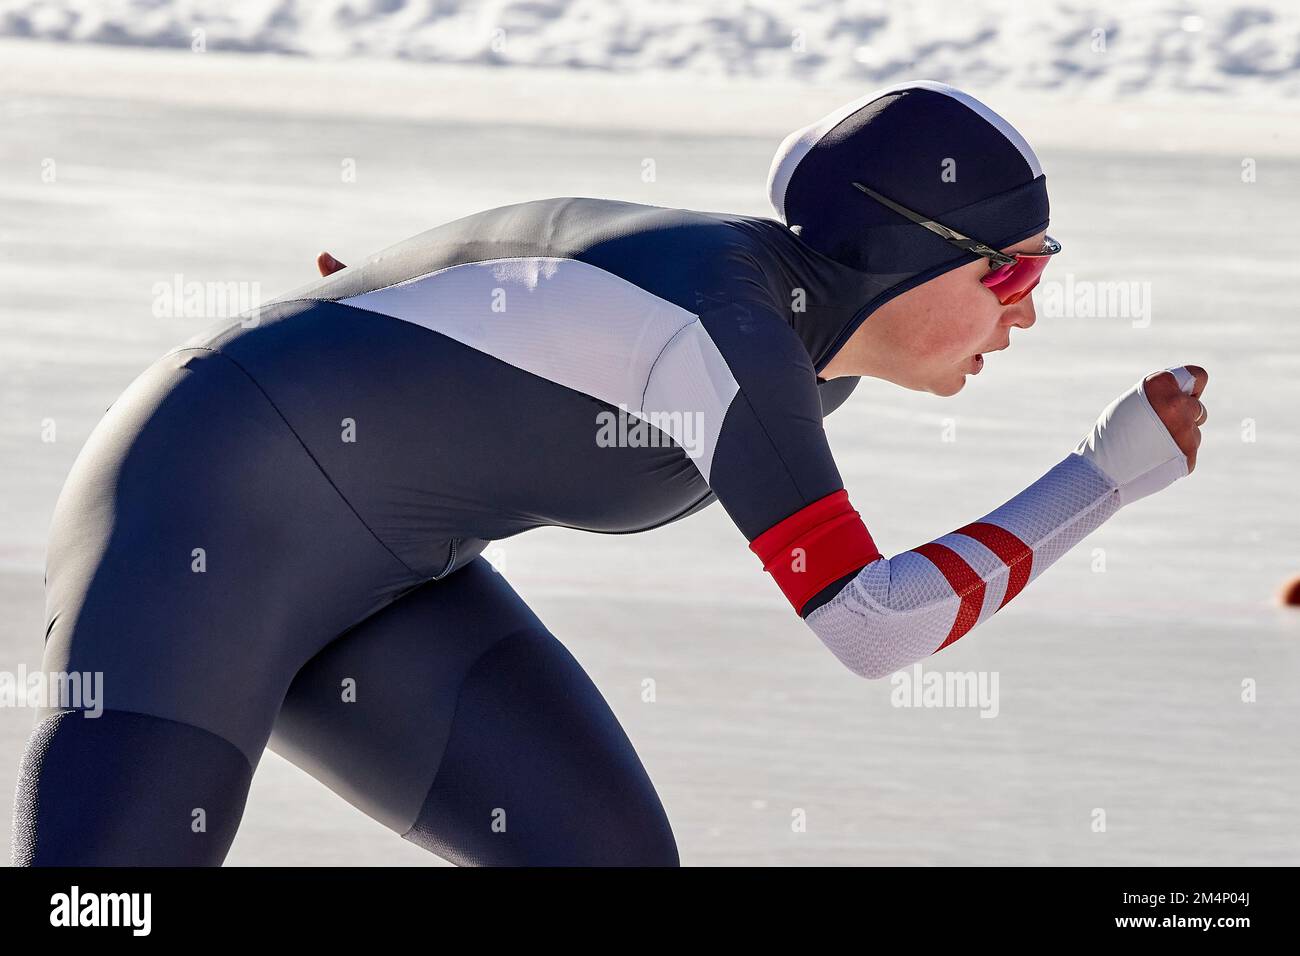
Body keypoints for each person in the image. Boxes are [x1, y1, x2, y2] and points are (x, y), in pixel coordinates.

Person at [11, 81, 1207, 866]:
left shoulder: (791, 346)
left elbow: (506, 280)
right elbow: (871, 622)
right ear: (903, 249)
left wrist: (369, 331)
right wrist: (1105, 473)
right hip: (205, 510)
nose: (1027, 311)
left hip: (390, 575)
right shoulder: (730, 328)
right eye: (1011, 271)